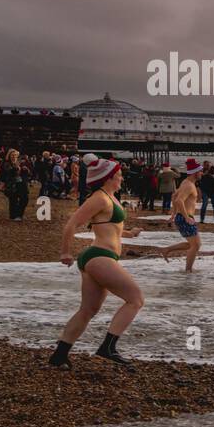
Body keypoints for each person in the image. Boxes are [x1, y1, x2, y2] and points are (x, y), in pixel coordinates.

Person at [48, 157, 145, 367]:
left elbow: (111, 227)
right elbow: (71, 224)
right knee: (135, 299)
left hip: (99, 256)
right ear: (109, 177)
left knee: (88, 310)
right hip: (99, 256)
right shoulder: (99, 198)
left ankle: (59, 355)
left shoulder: (110, 197)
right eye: (118, 175)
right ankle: (108, 347)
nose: (121, 178)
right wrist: (64, 252)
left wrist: (129, 233)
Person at [161, 159, 203, 272]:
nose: (201, 174)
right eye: (200, 172)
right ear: (195, 172)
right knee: (196, 245)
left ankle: (167, 250)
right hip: (185, 218)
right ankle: (188, 271)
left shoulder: (185, 182)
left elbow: (174, 196)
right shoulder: (189, 185)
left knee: (193, 244)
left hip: (183, 217)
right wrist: (186, 217)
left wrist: (173, 215)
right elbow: (179, 200)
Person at [0, 149, 29, 221]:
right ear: (9, 155)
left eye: (15, 155)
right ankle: (14, 216)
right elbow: (8, 173)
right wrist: (17, 169)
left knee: (25, 198)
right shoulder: (6, 163)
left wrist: (25, 170)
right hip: (11, 184)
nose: (14, 156)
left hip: (21, 183)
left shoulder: (19, 163)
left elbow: (25, 173)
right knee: (13, 200)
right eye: (12, 155)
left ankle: (18, 214)